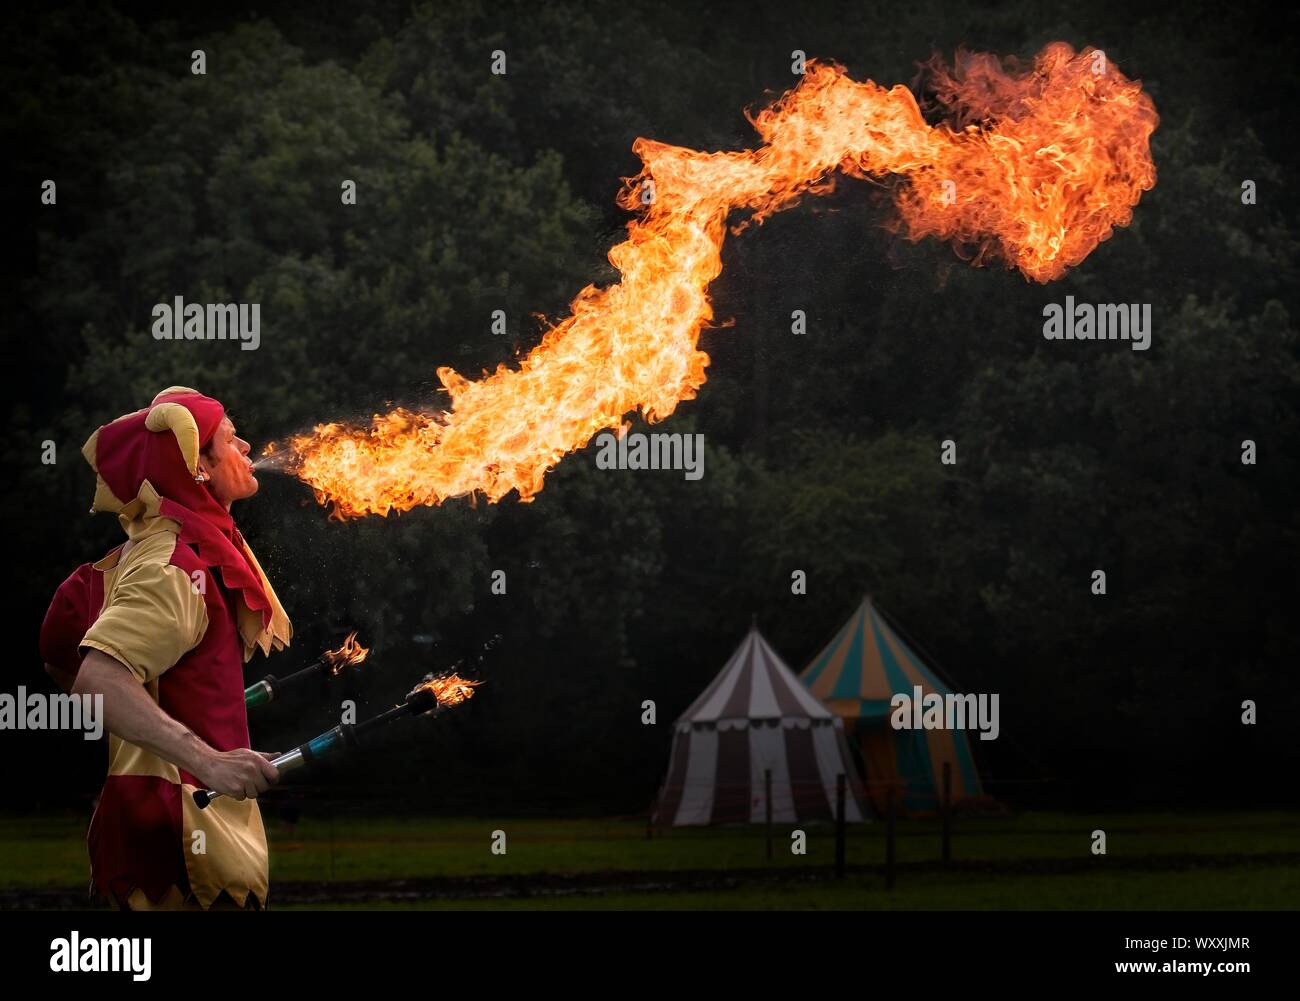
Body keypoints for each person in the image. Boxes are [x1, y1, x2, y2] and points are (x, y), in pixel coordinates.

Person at [39, 386, 293, 910]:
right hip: (180, 846)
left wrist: (163, 727)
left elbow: (59, 648)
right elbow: (96, 680)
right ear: (196, 465)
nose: (246, 447)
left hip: (173, 828)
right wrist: (207, 759)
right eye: (229, 438)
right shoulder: (175, 568)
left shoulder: (149, 552)